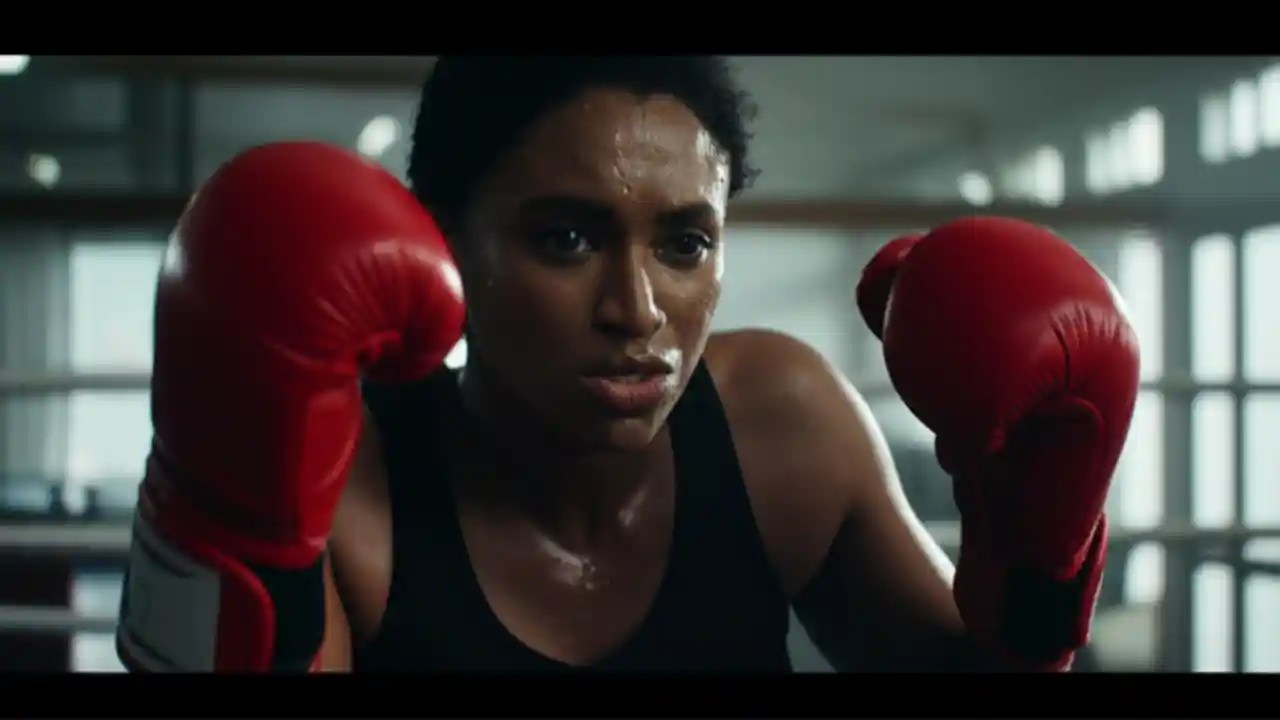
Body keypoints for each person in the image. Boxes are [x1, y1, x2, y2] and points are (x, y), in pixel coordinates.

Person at [114, 56, 1141, 673]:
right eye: (565, 239)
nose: (638, 310)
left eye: (684, 244)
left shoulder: (781, 426)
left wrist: (1036, 533)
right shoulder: (355, 489)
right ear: (439, 242)